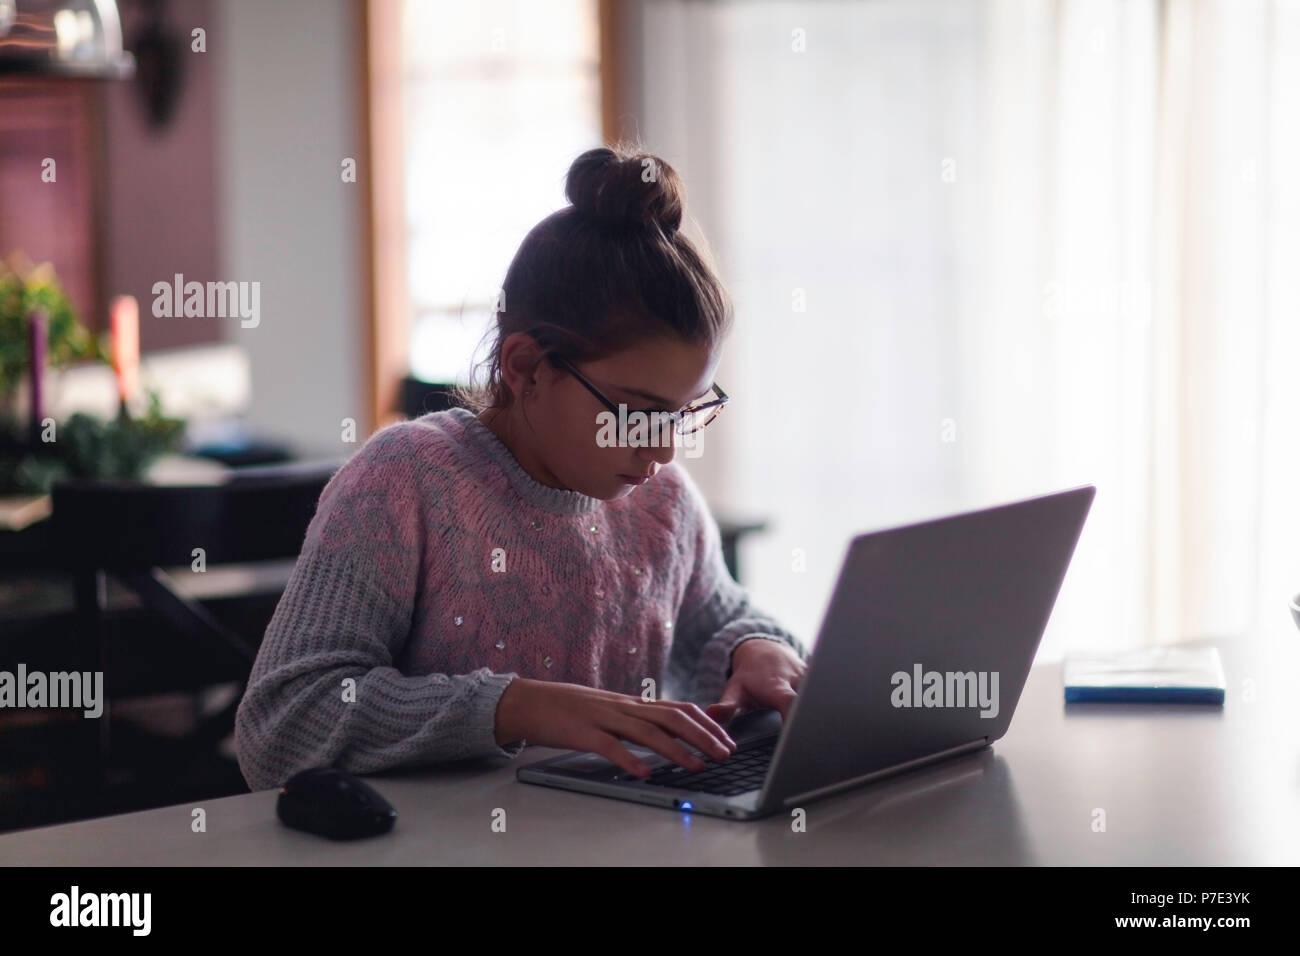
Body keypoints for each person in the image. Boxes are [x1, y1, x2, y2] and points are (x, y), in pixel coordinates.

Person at [234, 143, 807, 792]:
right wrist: (515, 708)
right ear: (527, 367)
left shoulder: (662, 503)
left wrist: (755, 649)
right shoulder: (405, 481)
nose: (666, 449)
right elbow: (280, 729)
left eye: (684, 413)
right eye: (639, 412)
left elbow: (720, 617)